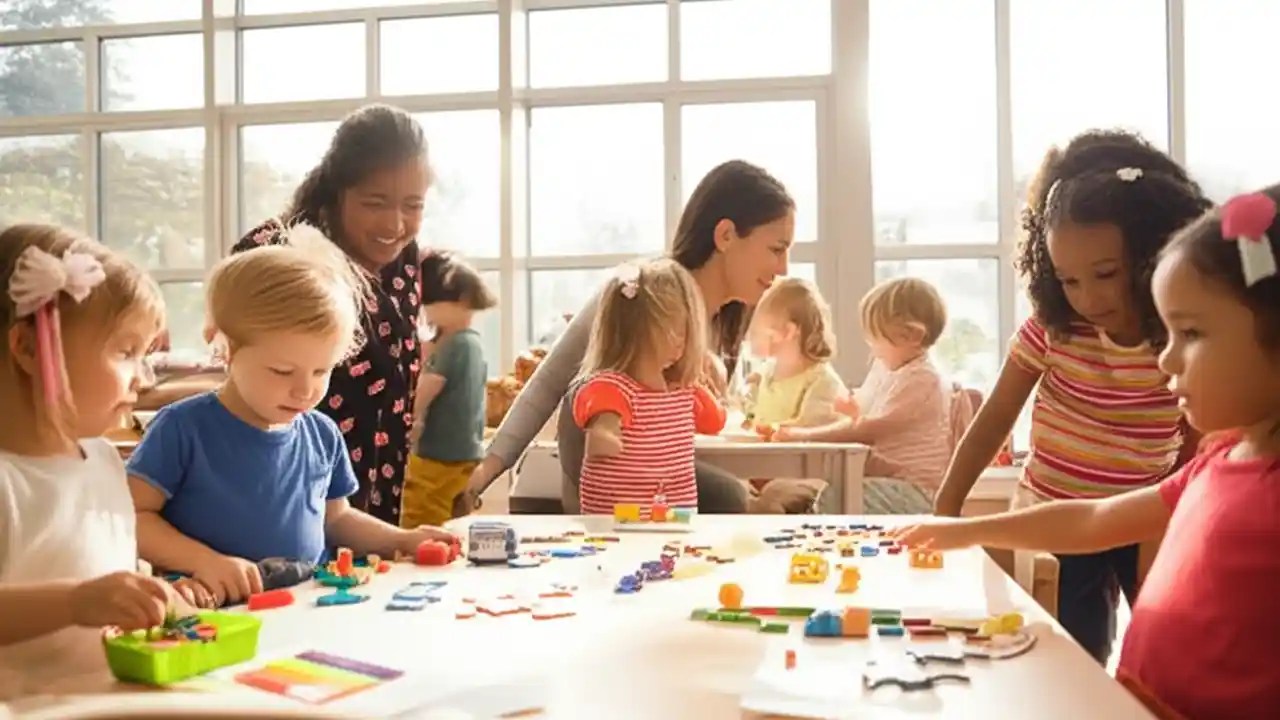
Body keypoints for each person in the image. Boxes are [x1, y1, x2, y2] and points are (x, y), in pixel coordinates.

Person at [896, 186, 1280, 719]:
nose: (1165, 360)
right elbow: (1095, 519)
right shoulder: (1216, 464)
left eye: (1190, 333)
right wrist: (966, 529)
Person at [931, 130, 1212, 664]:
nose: (1088, 298)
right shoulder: (1054, 330)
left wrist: (1178, 518)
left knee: (1162, 644)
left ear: (1152, 254)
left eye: (1105, 274)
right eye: (1069, 281)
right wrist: (948, 509)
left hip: (1139, 518)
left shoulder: (1173, 336)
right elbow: (993, 420)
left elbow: (1193, 445)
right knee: (1076, 652)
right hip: (1055, 518)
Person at [127, 226, 455, 608]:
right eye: (282, 371)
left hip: (304, 608)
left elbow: (337, 520)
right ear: (227, 349)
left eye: (321, 371)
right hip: (213, 615)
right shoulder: (182, 428)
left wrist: (402, 540)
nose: (305, 391)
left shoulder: (322, 433)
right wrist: (206, 562)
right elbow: (133, 516)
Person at [467, 160, 796, 514]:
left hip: (660, 475)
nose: (784, 269)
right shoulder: (643, 294)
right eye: (777, 249)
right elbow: (549, 382)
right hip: (608, 478)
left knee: (741, 498)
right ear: (726, 235)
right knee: (731, 498)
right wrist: (486, 470)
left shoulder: (724, 318)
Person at [0, 225, 195, 697]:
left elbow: (106, 573)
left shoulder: (105, 461)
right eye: (127, 352)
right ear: (28, 348)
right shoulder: (8, 480)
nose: (142, 379)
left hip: (112, 699)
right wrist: (73, 602)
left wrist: (153, 597)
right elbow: (82, 597)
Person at [233, 103, 429, 525]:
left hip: (372, 502)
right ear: (337, 191)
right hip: (279, 501)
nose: (395, 224)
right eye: (375, 202)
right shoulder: (278, 252)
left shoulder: (403, 259)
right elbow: (237, 375)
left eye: (413, 205)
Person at [776, 277, 952, 514]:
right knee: (822, 493)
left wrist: (804, 435)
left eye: (877, 339)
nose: (873, 349)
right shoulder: (888, 367)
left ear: (912, 336)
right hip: (889, 481)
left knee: (834, 497)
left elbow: (867, 430)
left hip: (914, 491)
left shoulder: (922, 379)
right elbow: (859, 412)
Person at [573, 259, 726, 514]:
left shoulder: (683, 391)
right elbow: (603, 425)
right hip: (618, 520)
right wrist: (604, 435)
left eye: (686, 332)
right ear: (639, 332)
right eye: (674, 332)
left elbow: (714, 421)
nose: (682, 343)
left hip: (674, 519)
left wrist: (699, 380)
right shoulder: (612, 387)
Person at [402, 251, 496, 528]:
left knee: (421, 515)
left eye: (431, 303)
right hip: (466, 452)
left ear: (461, 301)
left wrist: (410, 418)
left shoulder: (456, 345)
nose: (425, 310)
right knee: (453, 517)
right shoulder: (471, 343)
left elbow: (429, 386)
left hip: (438, 455)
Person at [741, 277, 843, 433]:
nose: (747, 338)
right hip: (762, 454)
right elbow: (752, 413)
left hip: (795, 456)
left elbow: (813, 427)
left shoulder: (820, 382)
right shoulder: (764, 374)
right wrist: (747, 416)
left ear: (788, 331)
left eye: (756, 332)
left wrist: (773, 430)